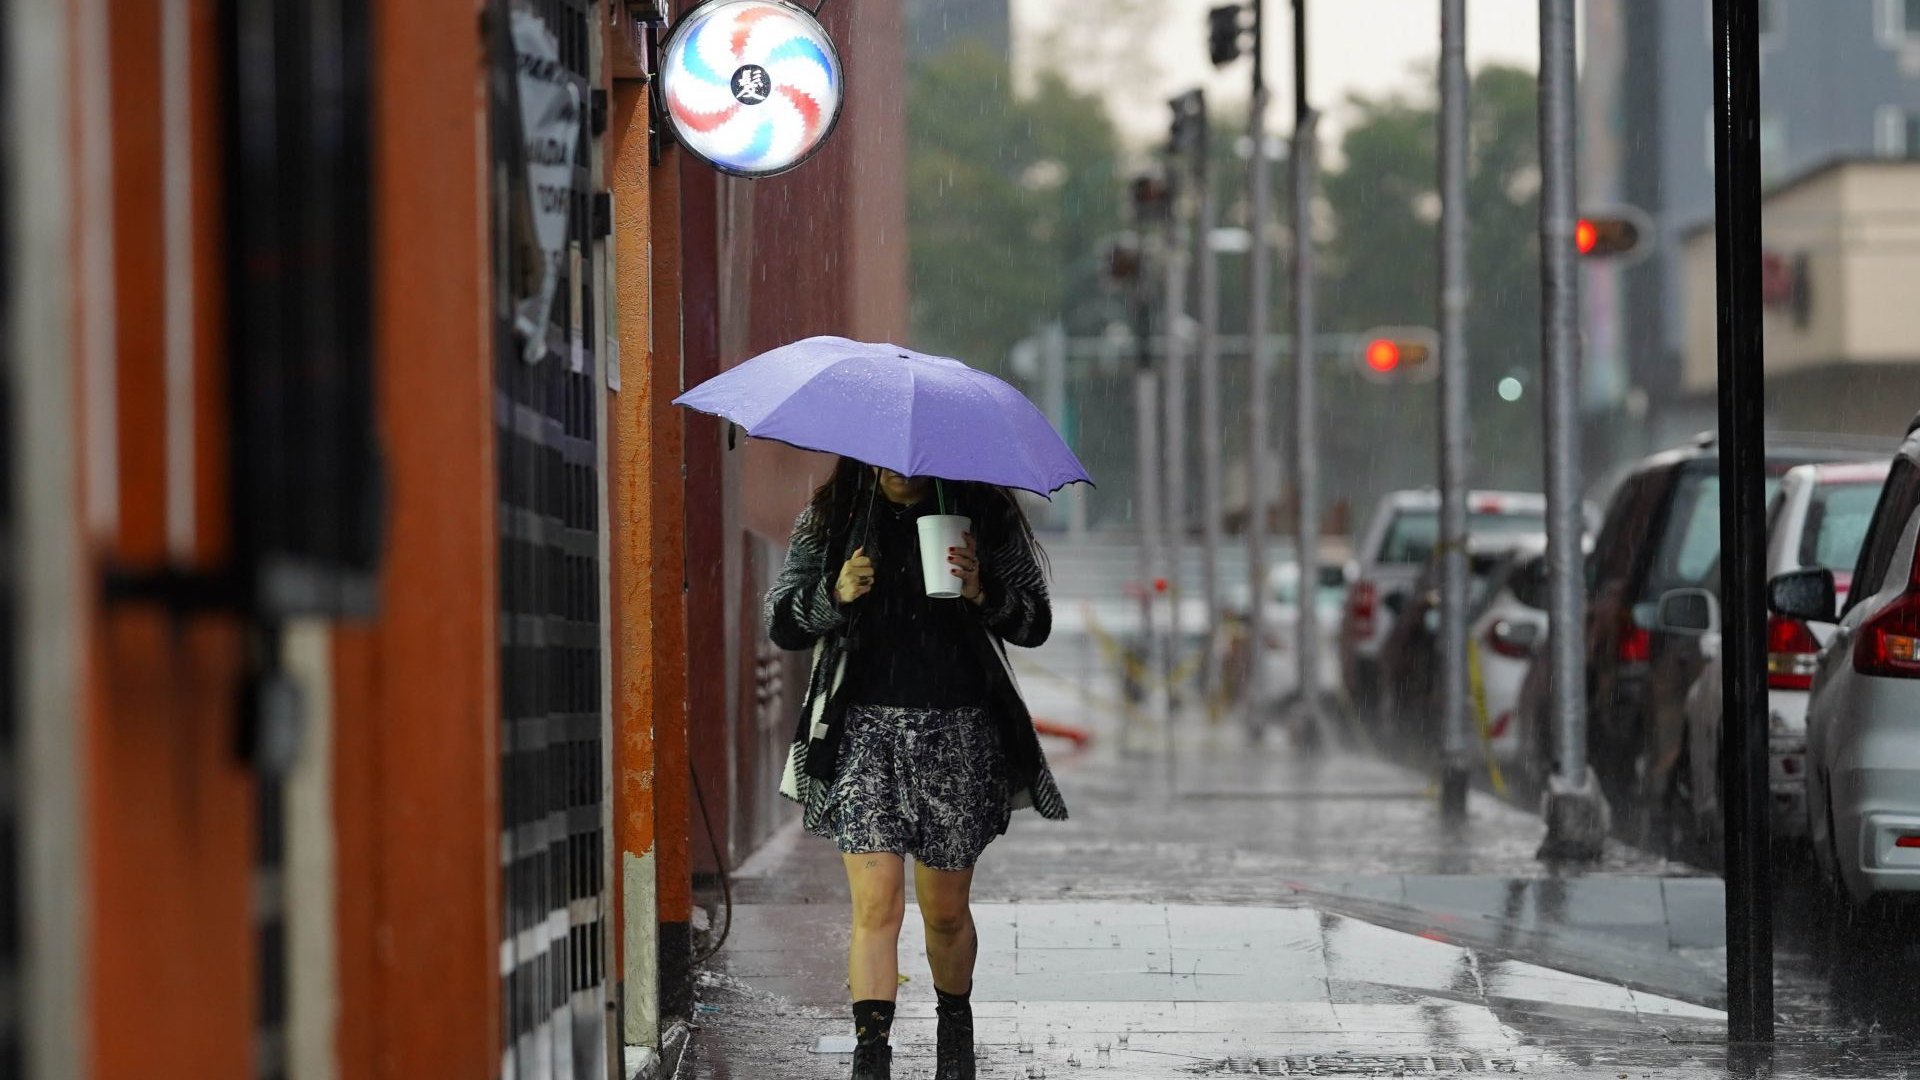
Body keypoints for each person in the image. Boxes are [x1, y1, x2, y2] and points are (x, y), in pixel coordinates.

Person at [765, 457, 1068, 1080]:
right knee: (876, 907)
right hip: (862, 735)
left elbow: (1035, 622)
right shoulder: (835, 518)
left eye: (914, 459)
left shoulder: (981, 514)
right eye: (885, 459)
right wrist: (833, 593)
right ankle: (870, 1053)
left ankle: (954, 1026)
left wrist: (987, 591)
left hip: (958, 732)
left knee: (946, 911)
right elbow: (782, 622)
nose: (898, 469)